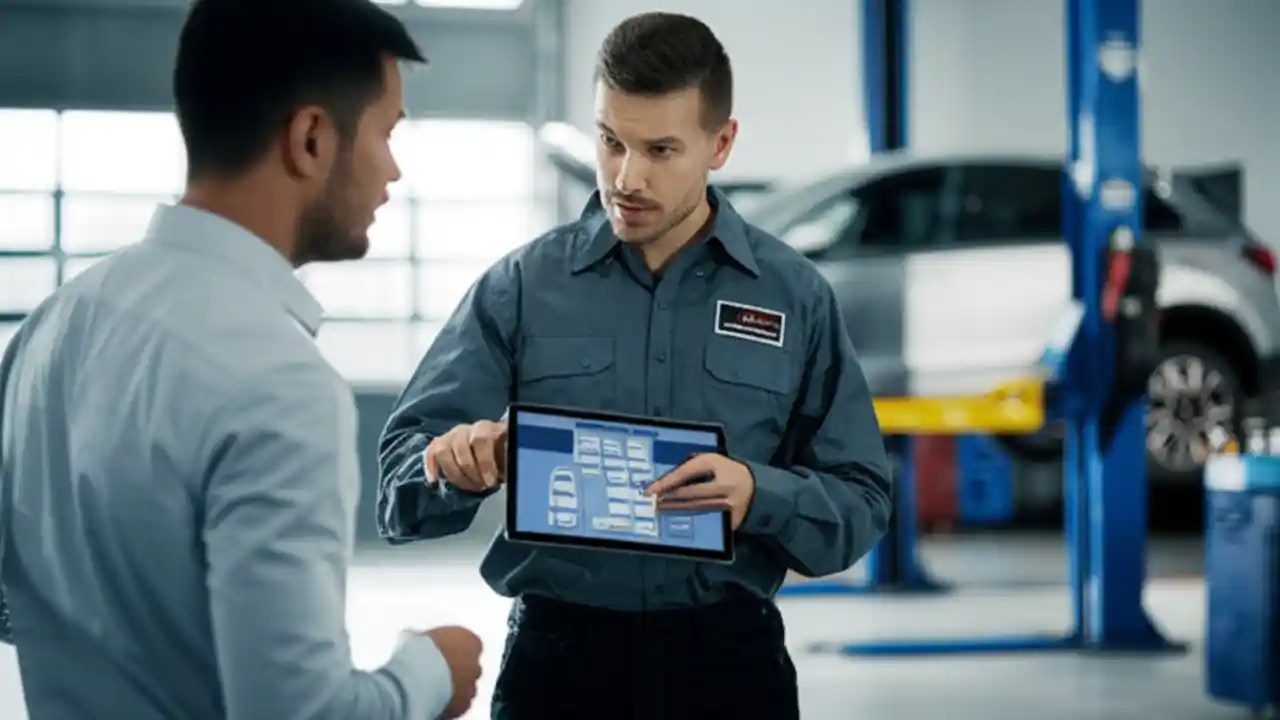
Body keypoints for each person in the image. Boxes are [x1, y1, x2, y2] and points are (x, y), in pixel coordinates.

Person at [376, 11, 893, 720]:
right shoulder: (524, 287)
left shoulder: (794, 297)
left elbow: (862, 500)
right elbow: (400, 482)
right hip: (558, 670)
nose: (626, 176)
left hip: (729, 667)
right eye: (610, 141)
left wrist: (756, 493)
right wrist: (456, 464)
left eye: (660, 149)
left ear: (722, 143)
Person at [0, 1, 484, 718]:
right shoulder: (280, 384)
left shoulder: (53, 324)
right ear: (311, 138)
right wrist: (429, 672)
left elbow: (16, 605)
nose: (393, 170)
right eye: (386, 133)